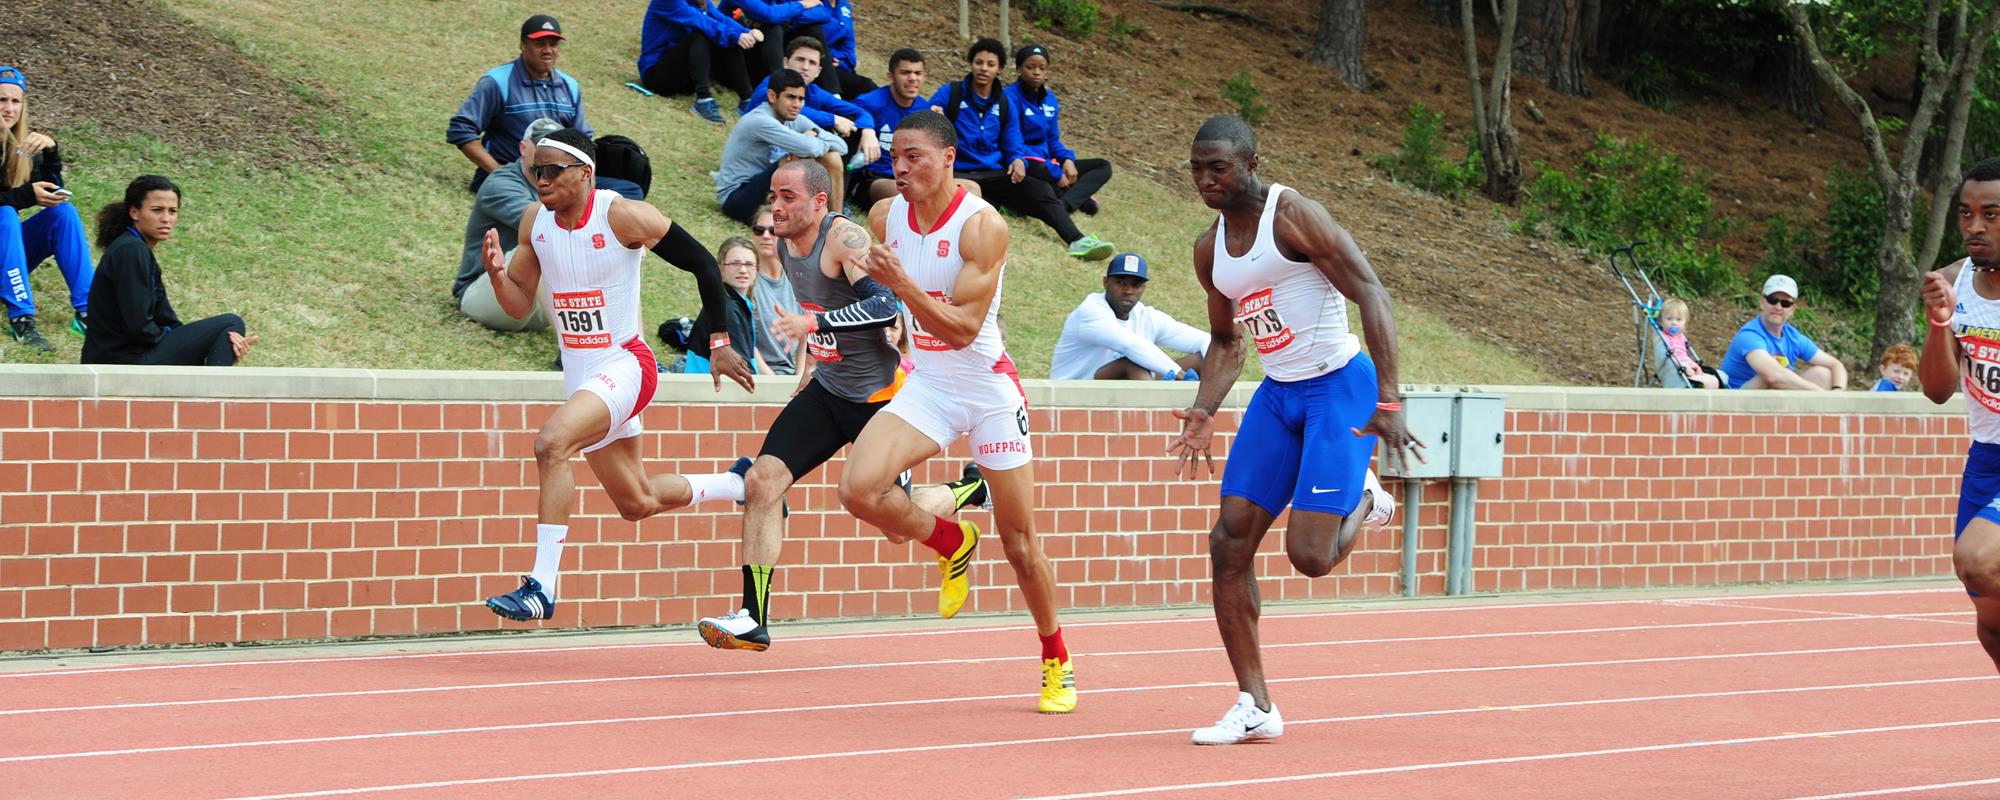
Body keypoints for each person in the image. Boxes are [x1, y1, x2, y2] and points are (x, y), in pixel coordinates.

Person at [1170, 115, 1415, 745]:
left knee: (1310, 558)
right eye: (1196, 167)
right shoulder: (1210, 248)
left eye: (1217, 166)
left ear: (1251, 163)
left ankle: (1366, 498)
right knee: (1228, 545)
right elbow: (1228, 342)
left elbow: (1372, 293)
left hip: (1339, 385)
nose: (1205, 179)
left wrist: (1388, 399)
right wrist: (1204, 408)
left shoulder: (1293, 216)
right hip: (1279, 396)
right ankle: (1255, 705)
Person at [837, 111, 1077, 714]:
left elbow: (966, 329)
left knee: (1021, 545)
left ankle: (1056, 659)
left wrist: (906, 290)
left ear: (948, 158)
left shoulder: (982, 227)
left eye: (914, 155)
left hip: (986, 390)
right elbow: (893, 293)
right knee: (858, 489)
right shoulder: (886, 214)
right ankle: (951, 539)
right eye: (895, 155)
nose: (900, 166)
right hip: (928, 383)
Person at [696, 159, 989, 652]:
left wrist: (815, 327)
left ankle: (968, 489)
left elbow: (884, 307)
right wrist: (809, 368)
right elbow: (812, 308)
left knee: (896, 527)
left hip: (879, 400)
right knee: (762, 480)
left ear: (819, 202)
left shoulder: (843, 238)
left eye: (788, 197)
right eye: (773, 195)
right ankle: (752, 617)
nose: (776, 206)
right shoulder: (787, 243)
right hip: (828, 389)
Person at [476, 129, 756, 621]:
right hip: (583, 376)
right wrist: (500, 276)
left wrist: (719, 340)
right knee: (637, 501)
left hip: (627, 364)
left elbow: (702, 265)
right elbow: (519, 303)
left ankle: (541, 585)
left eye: (552, 170)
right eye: (535, 170)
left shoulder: (621, 214)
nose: (540, 179)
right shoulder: (533, 222)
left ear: (585, 172)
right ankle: (739, 484)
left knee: (551, 443)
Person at [1918, 155, 2000, 675]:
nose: (1975, 226)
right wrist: (1938, 323)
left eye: (1991, 214)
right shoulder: (1952, 282)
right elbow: (1937, 391)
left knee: (1977, 558)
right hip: (1986, 459)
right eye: (1966, 214)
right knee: (1990, 615)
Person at [932, 39, 1112, 261]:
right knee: (977, 200)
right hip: (957, 170)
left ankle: (1076, 240)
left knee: (1040, 190)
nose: (984, 69)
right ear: (971, 64)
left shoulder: (1004, 101)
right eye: (979, 62)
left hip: (994, 171)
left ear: (999, 69)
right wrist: (933, 115)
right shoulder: (952, 92)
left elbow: (1012, 138)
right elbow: (927, 116)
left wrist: (1017, 159)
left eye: (990, 64)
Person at [81, 175, 256, 366]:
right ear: (134, 212)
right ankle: (212, 392)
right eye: (157, 210)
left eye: (172, 211)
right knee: (231, 323)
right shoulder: (131, 251)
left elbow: (169, 323)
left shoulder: (136, 249)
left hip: (131, 356)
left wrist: (218, 347)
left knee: (226, 336)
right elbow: (139, 328)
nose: (166, 219)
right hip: (120, 361)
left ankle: (210, 387)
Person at [0, 65, 92, 352]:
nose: (9, 108)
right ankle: (22, 319)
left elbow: (54, 193)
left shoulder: (21, 147)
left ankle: (91, 313)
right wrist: (26, 195)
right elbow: (19, 198)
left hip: (5, 253)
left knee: (63, 214)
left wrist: (51, 152)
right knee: (5, 214)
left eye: (16, 101)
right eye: (2, 100)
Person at [447, 15, 593, 192]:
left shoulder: (570, 86)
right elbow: (461, 129)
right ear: (524, 45)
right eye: (540, 44)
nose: (548, 50)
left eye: (553, 44)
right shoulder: (497, 82)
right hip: (510, 182)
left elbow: (582, 140)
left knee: (626, 188)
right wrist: (499, 173)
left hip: (555, 184)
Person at [715, 69, 847, 223]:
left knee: (832, 156)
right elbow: (810, 149)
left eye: (800, 99)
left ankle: (837, 222)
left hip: (767, 190)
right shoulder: (760, 121)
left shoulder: (794, 119)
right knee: (795, 159)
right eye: (790, 97)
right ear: (772, 96)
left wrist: (815, 134)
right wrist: (808, 142)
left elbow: (842, 146)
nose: (797, 104)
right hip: (737, 200)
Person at [1050, 252, 1209, 380]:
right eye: (1120, 282)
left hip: (1126, 390)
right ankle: (1154, 416)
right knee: (1132, 363)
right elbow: (1130, 345)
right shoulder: (1091, 310)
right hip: (1076, 395)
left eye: (1136, 285)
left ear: (1143, 288)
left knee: (1204, 360)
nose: (1128, 290)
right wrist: (1178, 374)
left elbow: (1204, 341)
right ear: (1105, 282)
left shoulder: (1147, 316)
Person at [737, 38, 880, 169]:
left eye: (812, 63)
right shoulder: (770, 87)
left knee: (853, 128)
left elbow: (860, 111)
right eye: (800, 59)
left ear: (818, 72)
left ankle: (842, 191)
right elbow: (793, 110)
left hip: (795, 152)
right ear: (785, 62)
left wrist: (868, 131)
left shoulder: (815, 92)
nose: (805, 67)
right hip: (757, 162)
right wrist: (833, 119)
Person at [1004, 44, 1112, 217]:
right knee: (1041, 174)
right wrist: (1055, 172)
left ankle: (1065, 204)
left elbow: (1053, 140)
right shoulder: (1009, 97)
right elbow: (1012, 142)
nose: (1037, 72)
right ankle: (1073, 196)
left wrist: (1066, 160)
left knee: (1103, 166)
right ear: (1019, 68)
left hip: (1048, 162)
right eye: (1030, 67)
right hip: (1025, 161)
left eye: (1042, 68)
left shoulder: (1049, 99)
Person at [637, 0, 762, 125]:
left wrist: (745, 31)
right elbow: (701, 21)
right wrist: (735, 35)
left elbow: (720, 19)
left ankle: (747, 100)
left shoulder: (703, 2)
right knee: (704, 34)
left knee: (725, 38)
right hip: (656, 76)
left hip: (685, 77)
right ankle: (703, 100)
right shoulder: (669, 2)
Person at [1718, 274, 1849, 390]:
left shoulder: (1793, 337)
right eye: (1772, 300)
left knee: (1823, 374)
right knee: (1769, 375)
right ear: (1762, 302)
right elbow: (1773, 377)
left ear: (1792, 309)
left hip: (1772, 399)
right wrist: (1819, 393)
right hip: (1738, 403)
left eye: (1785, 303)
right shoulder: (1749, 335)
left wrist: (1837, 393)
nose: (1778, 307)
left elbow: (1836, 365)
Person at [849, 48, 931, 208]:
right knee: (910, 193)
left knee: (969, 189)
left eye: (918, 73)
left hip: (913, 178)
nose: (913, 78)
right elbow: (848, 117)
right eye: (905, 72)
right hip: (874, 178)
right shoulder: (869, 103)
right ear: (890, 76)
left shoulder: (925, 110)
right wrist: (867, 130)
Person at [683, 236, 773, 375]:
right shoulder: (727, 309)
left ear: (756, 270)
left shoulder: (737, 303)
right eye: (735, 264)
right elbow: (743, 371)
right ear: (720, 270)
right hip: (709, 389)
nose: (743, 270)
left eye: (749, 264)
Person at [723, 0, 834, 86]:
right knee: (773, 27)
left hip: (765, 53)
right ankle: (781, 88)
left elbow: (823, 12)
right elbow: (770, 15)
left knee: (813, 29)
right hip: (735, 58)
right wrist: (801, 5)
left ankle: (833, 94)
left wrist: (786, 17)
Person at [750, 206, 801, 375]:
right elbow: (742, 336)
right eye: (759, 230)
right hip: (756, 373)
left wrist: (799, 378)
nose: (765, 236)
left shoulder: (798, 279)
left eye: (773, 231)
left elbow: (807, 334)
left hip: (790, 372)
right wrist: (773, 382)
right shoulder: (746, 279)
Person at [1656, 297, 1721, 390]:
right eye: (1669, 319)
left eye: (1678, 320)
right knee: (1709, 383)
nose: (1674, 323)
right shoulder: (1664, 337)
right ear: (1661, 321)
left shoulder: (1680, 337)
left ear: (1684, 323)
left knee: (1714, 380)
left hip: (1686, 365)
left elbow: (1684, 355)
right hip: (1676, 370)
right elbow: (1670, 358)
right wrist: (1684, 367)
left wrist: (1693, 365)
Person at [817, 0, 877, 99]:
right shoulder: (814, 3)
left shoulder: (844, 5)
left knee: (869, 91)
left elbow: (850, 44)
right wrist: (832, 56)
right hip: (822, 65)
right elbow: (816, 39)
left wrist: (842, 62)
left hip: (842, 64)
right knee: (867, 87)